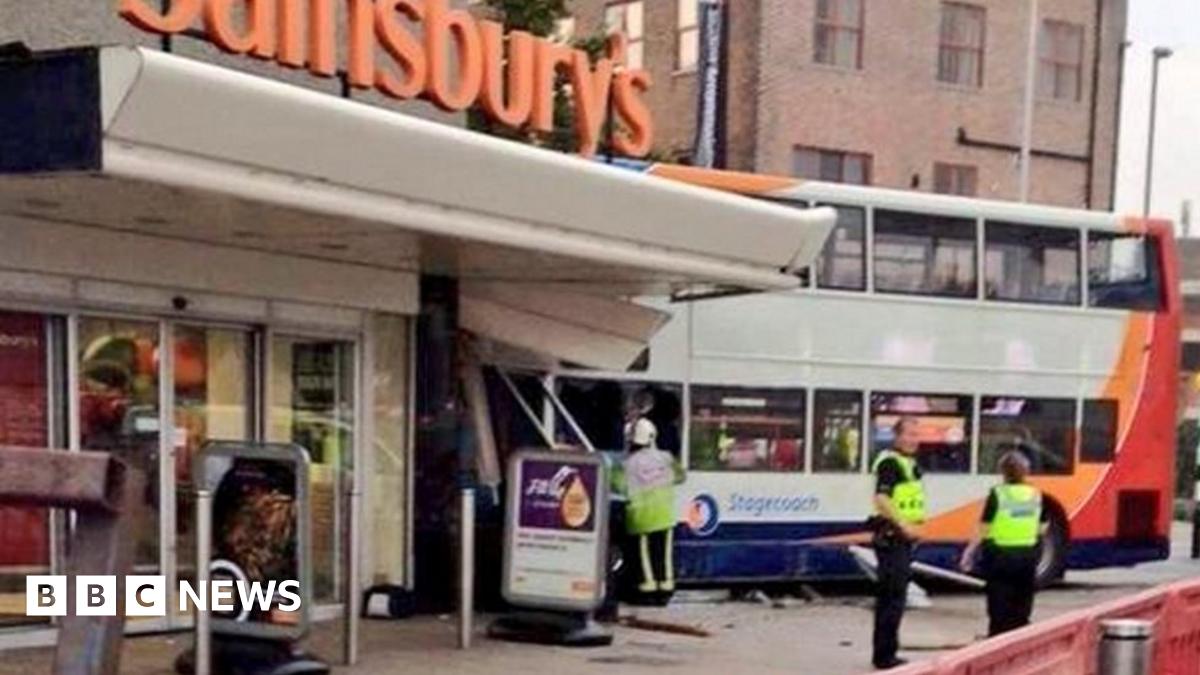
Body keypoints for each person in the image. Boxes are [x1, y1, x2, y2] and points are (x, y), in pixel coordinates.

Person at [959, 449, 1046, 637]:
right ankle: (1019, 637)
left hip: (1000, 556)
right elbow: (1043, 527)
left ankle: (998, 638)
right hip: (1027, 556)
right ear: (1026, 472)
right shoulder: (1036, 495)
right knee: (1022, 602)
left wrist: (969, 552)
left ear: (1003, 472)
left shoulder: (998, 494)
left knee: (999, 603)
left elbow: (985, 527)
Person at [614, 391, 686, 606]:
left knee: (644, 557)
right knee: (664, 555)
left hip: (641, 518)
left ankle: (646, 592)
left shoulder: (627, 464)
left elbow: (617, 485)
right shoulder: (665, 457)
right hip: (665, 516)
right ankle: (665, 591)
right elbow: (680, 476)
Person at [870, 416, 926, 670]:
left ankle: (887, 651)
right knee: (892, 598)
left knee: (895, 597)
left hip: (903, 538)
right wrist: (903, 525)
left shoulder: (908, 463)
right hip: (893, 537)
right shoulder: (891, 463)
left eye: (917, 434)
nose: (914, 439)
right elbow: (882, 498)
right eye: (910, 434)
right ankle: (884, 656)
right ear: (897, 436)